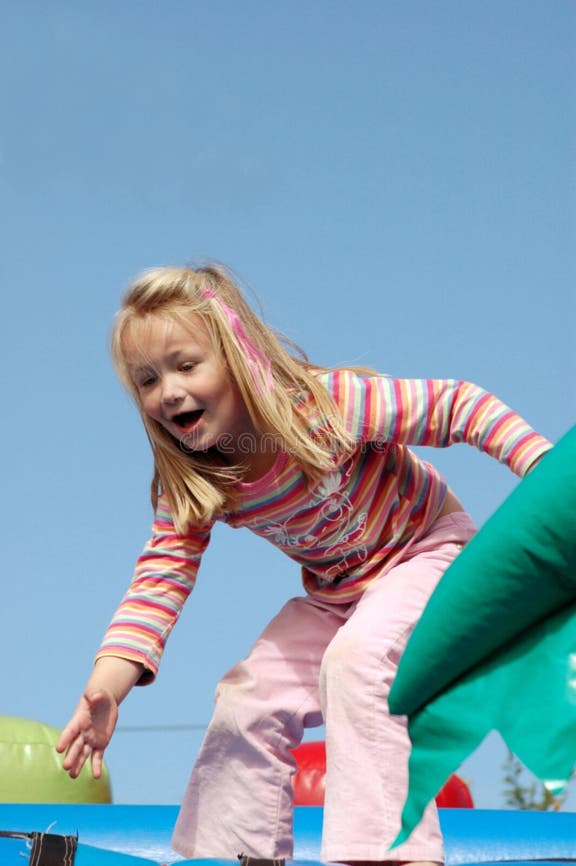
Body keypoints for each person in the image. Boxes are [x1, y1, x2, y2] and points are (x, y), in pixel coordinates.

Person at [57, 263, 551, 866]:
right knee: (247, 700)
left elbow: (457, 405)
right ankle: (231, 856)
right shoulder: (196, 478)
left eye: (187, 365)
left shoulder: (325, 405)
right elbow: (159, 580)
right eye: (148, 380)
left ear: (238, 354)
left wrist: (544, 472)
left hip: (429, 555)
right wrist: (108, 683)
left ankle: (385, 855)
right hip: (339, 595)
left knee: (359, 662)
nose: (170, 391)